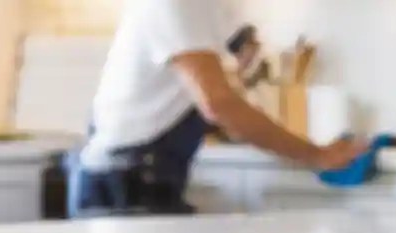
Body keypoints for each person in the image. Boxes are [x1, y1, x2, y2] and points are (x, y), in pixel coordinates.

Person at [70, 0, 368, 217]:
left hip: (139, 175)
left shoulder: (201, 8)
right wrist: (317, 155)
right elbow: (218, 104)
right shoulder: (175, 4)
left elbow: (212, 94)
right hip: (123, 182)